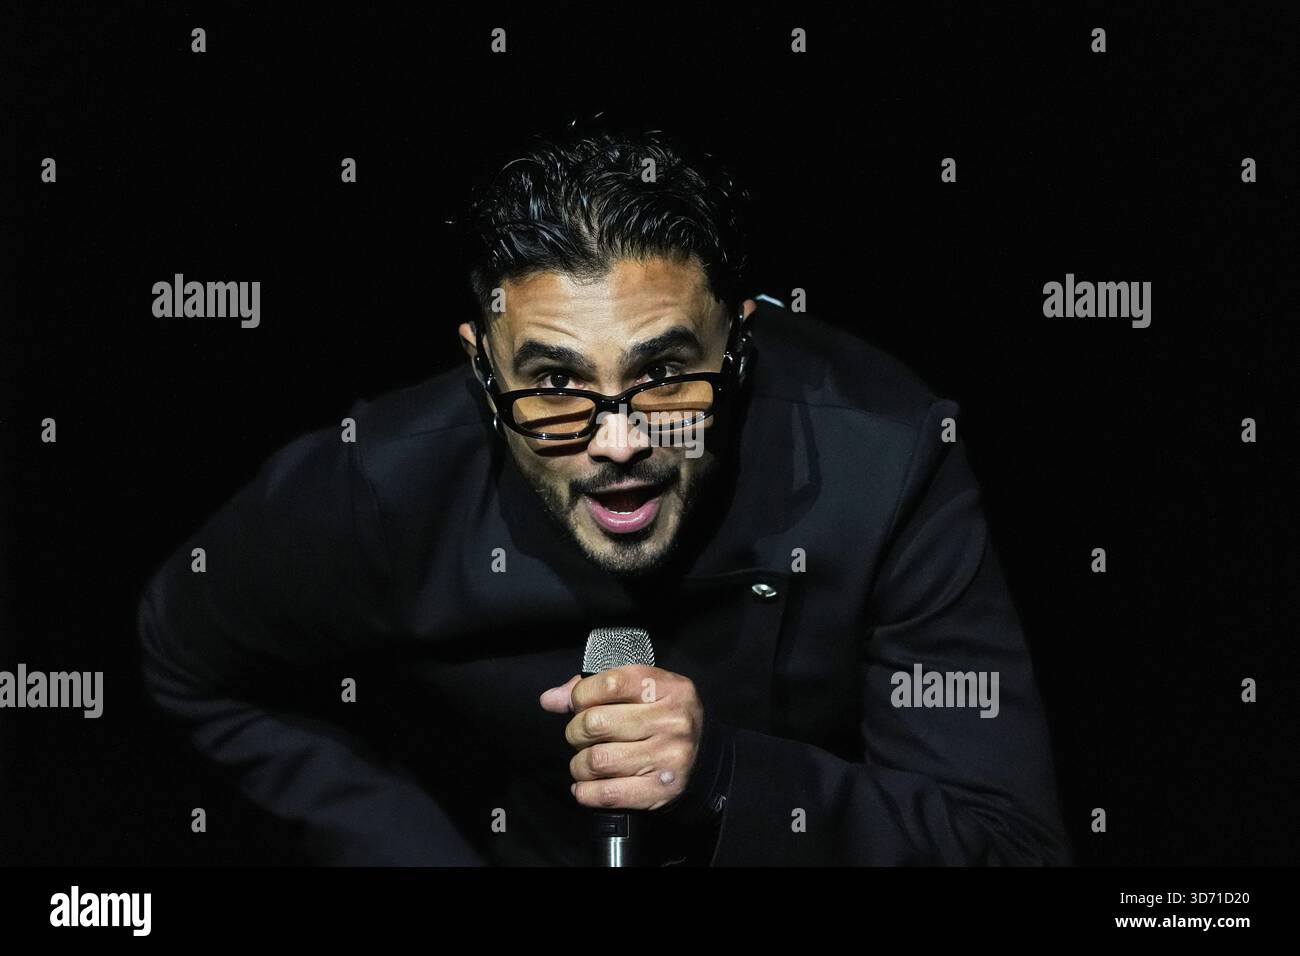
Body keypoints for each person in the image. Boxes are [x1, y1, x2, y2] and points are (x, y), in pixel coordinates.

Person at [136, 116, 1071, 866]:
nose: (619, 442)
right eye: (553, 384)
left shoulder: (888, 457)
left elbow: (1010, 844)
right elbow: (185, 659)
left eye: (666, 374)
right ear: (480, 369)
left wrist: (725, 779)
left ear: (738, 348)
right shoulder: (380, 482)